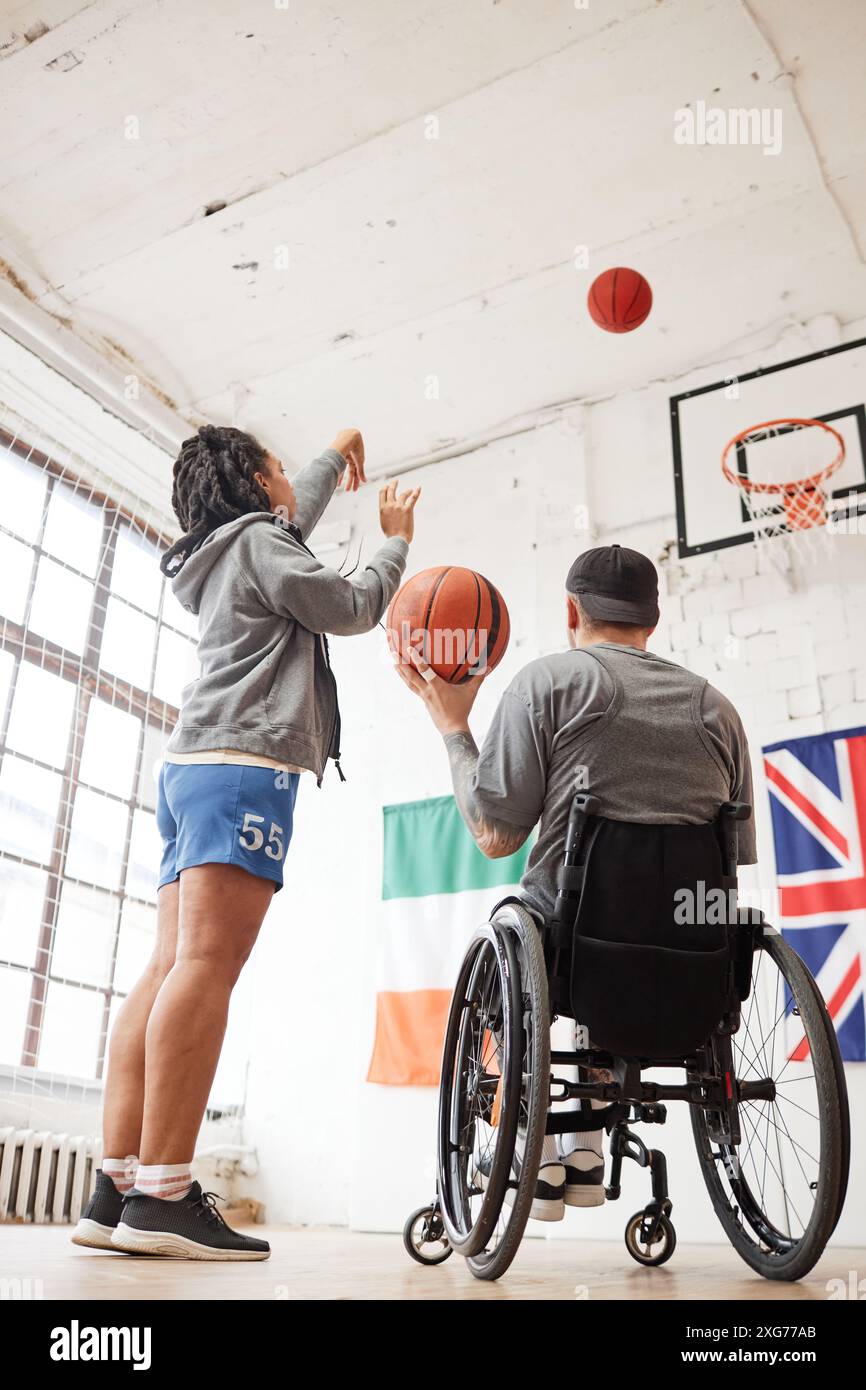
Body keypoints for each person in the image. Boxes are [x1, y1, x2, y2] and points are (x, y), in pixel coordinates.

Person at [73, 425, 420, 1259]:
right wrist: (397, 542)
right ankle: (163, 1196)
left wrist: (333, 457)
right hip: (242, 768)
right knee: (205, 967)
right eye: (276, 467)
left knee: (166, 968)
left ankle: (115, 1188)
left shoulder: (229, 547)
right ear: (258, 488)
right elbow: (351, 608)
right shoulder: (265, 541)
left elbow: (289, 507)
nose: (284, 481)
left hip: (189, 768)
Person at [394, 542, 756, 1220]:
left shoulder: (548, 682)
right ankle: (586, 1147)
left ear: (571, 610)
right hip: (696, 954)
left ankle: (519, 1138)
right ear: (653, 618)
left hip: (573, 942)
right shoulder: (720, 711)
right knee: (617, 924)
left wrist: (452, 727)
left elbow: (495, 834)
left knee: (534, 923)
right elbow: (730, 857)